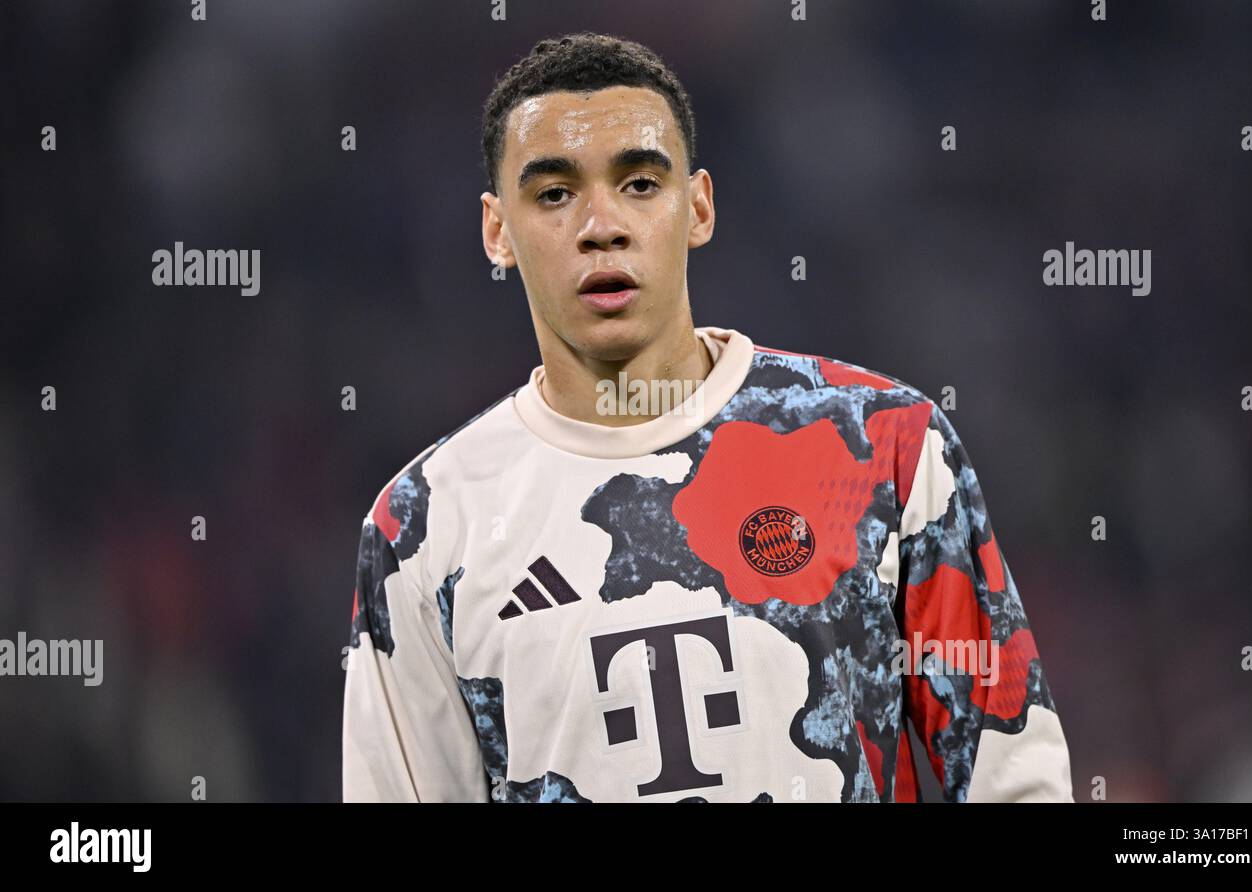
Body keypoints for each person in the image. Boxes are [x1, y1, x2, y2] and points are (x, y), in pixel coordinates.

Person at [341, 31, 1072, 803]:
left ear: (698, 207)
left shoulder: (884, 446)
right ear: (498, 232)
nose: (601, 226)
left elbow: (1013, 779)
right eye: (554, 194)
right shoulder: (422, 529)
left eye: (640, 184)